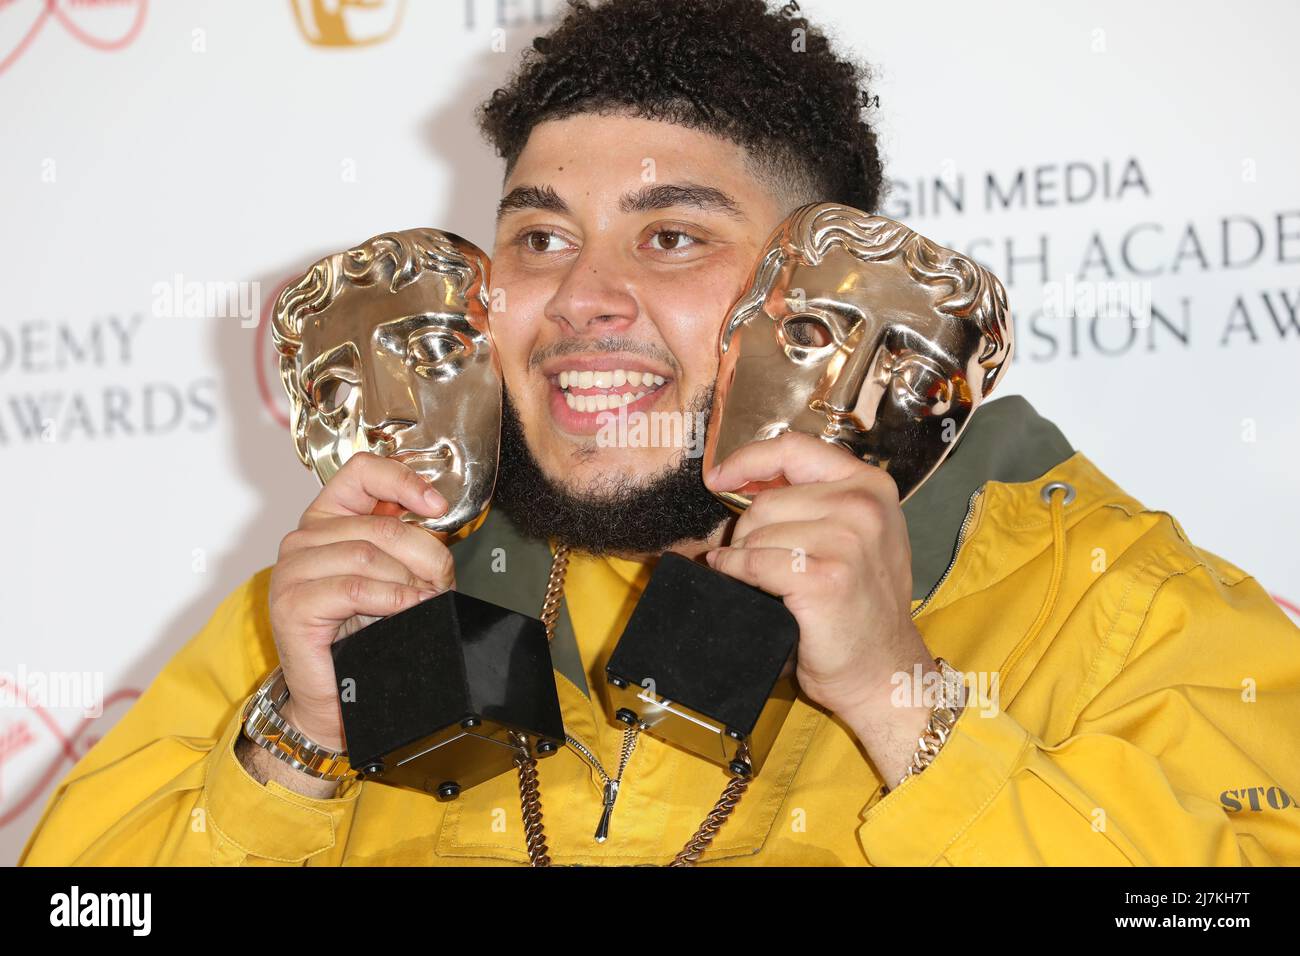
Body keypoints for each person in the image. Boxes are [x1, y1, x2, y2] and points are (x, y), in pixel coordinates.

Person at [21, 0, 1300, 866]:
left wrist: (905, 703)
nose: (584, 298)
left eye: (672, 236)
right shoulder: (347, 607)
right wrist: (296, 738)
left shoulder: (1109, 602)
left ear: (816, 297)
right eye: (539, 237)